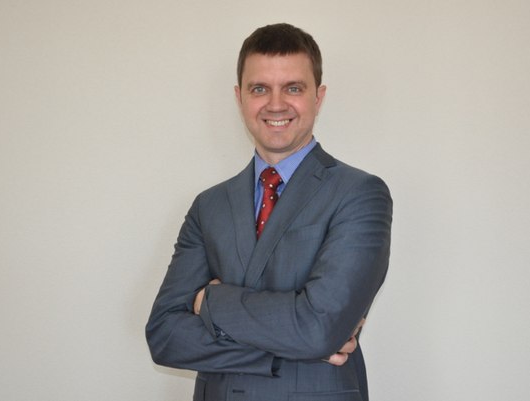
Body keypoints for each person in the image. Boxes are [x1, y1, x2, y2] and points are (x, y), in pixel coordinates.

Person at [146, 23, 392, 401]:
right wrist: (288, 350)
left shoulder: (360, 194)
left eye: (293, 88)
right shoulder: (208, 206)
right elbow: (165, 335)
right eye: (259, 89)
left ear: (318, 97)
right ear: (240, 97)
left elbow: (318, 329)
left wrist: (209, 302)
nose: (276, 104)